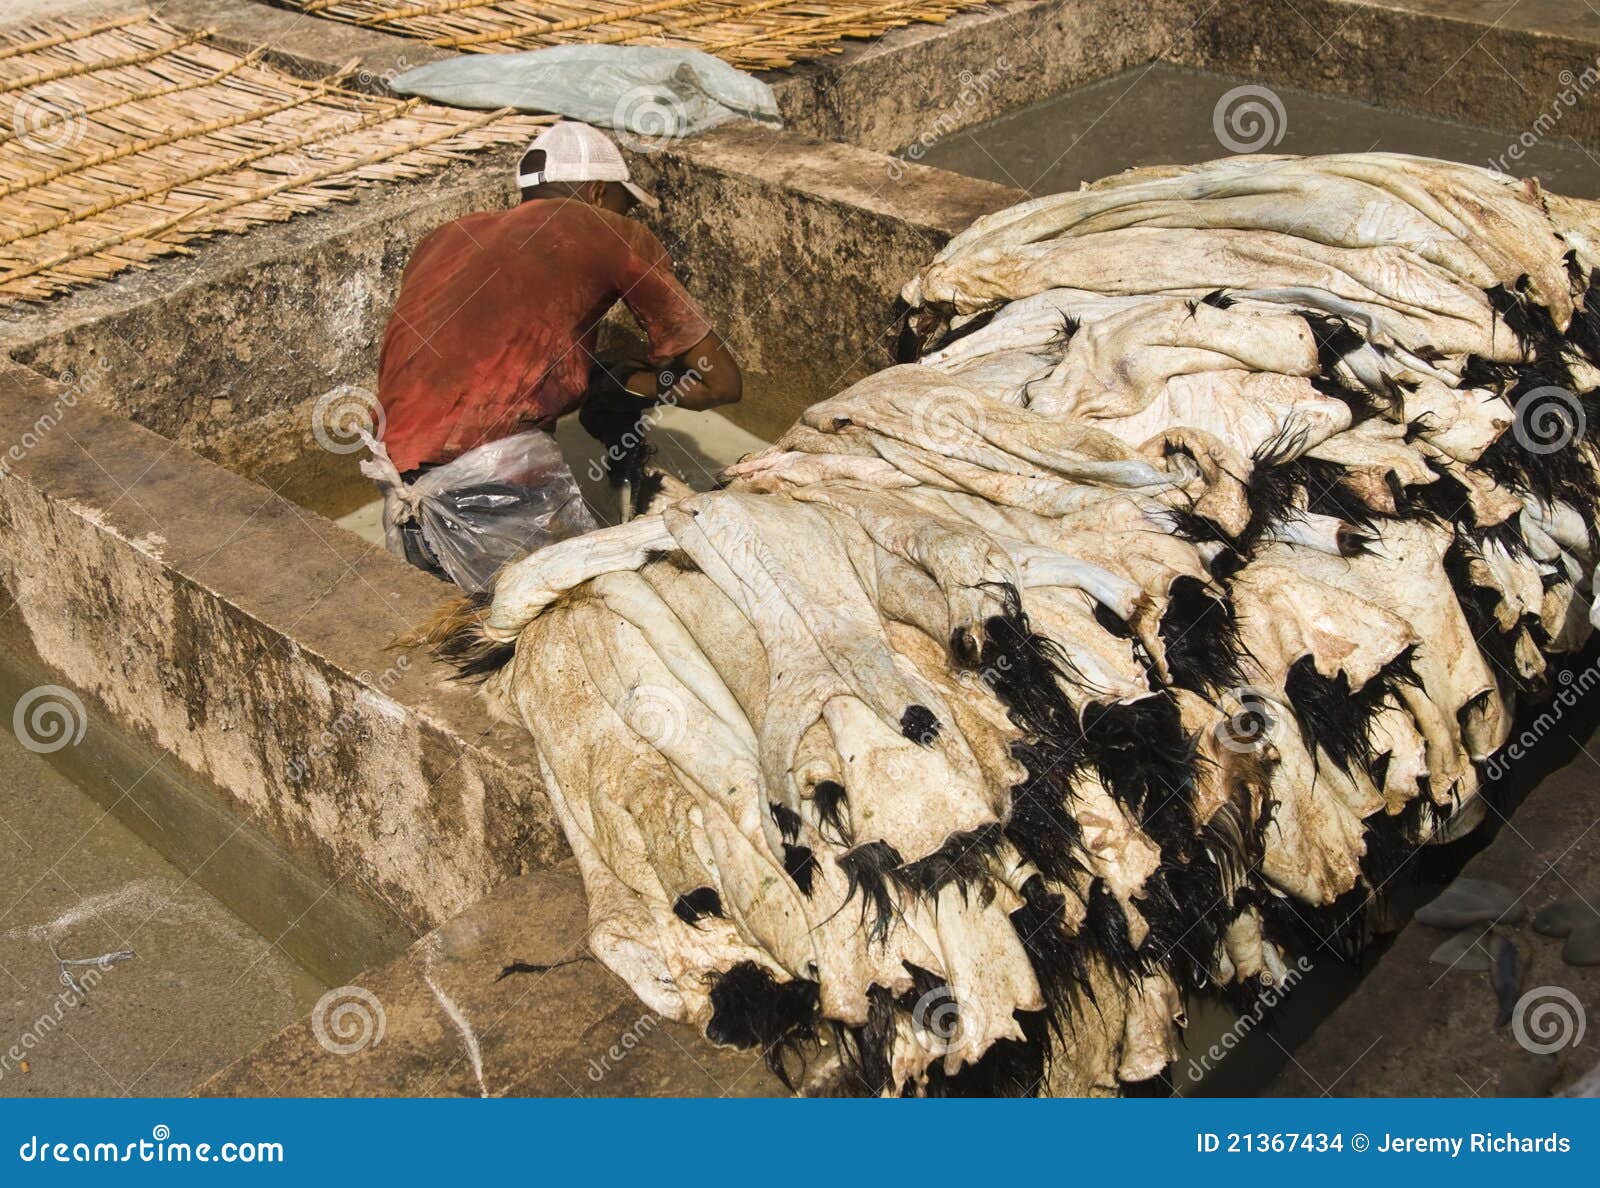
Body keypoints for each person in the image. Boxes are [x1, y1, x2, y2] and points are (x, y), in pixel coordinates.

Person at [373, 120, 742, 582]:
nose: (628, 217)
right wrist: (641, 383)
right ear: (597, 194)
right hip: (496, 502)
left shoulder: (444, 239)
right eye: (626, 204)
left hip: (401, 501)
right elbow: (721, 381)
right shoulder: (610, 229)